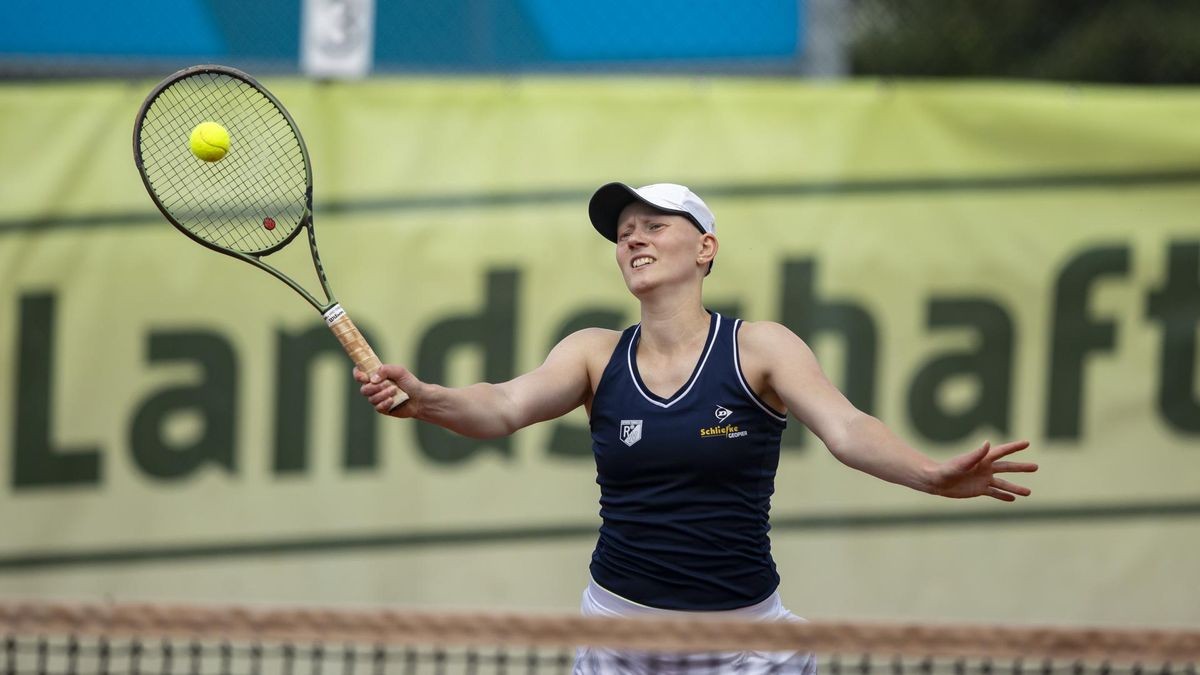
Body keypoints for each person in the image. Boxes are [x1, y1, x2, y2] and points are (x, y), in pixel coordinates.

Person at [355, 182, 1038, 674]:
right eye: (625, 229)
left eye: (655, 224)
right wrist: (429, 399)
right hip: (619, 639)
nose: (633, 236)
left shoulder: (760, 348)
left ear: (705, 247)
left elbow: (847, 426)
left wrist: (928, 472)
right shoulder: (594, 352)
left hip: (744, 644)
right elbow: (503, 404)